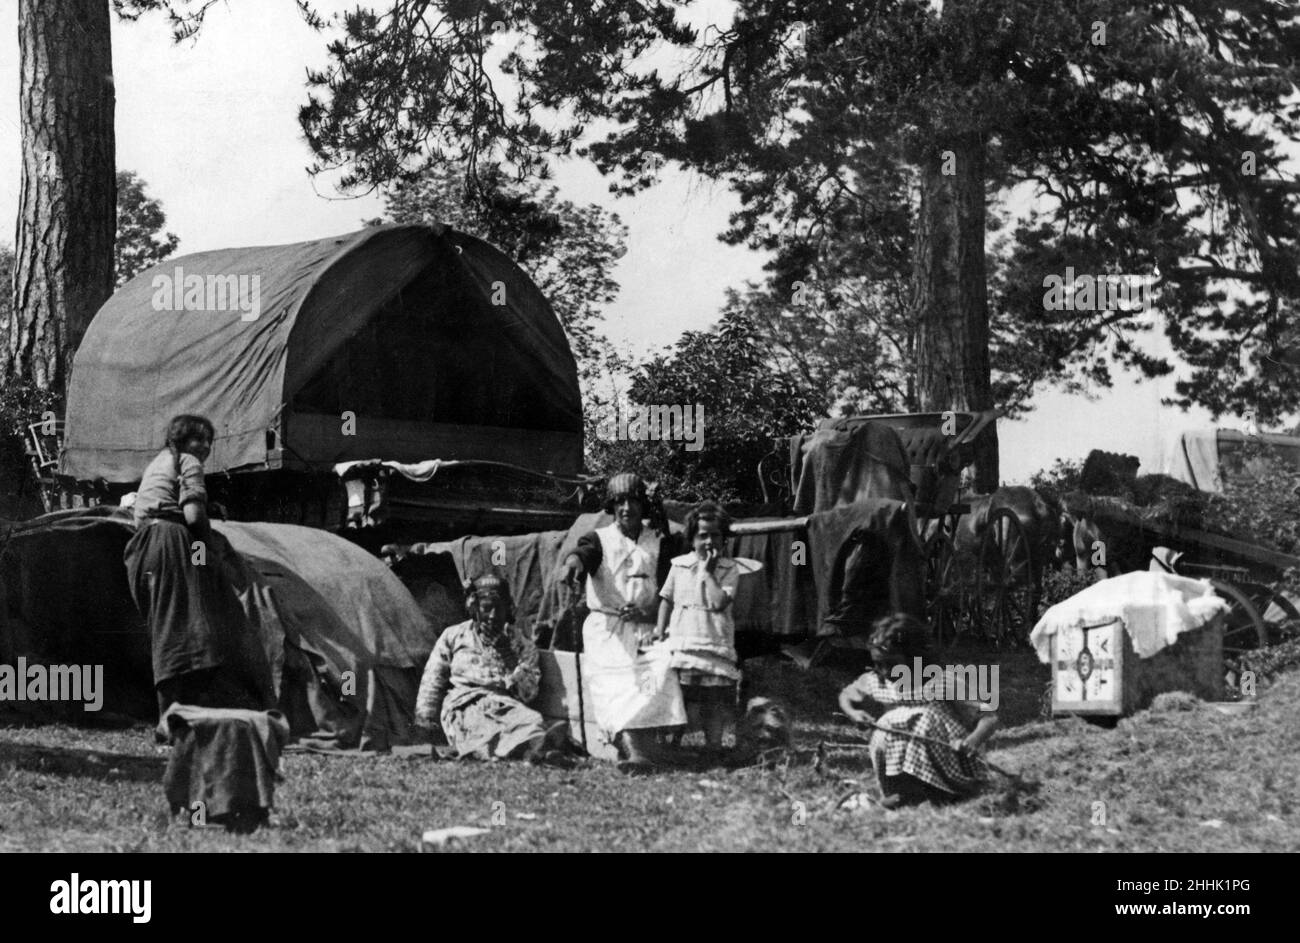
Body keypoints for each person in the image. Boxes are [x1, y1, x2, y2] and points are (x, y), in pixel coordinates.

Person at [124, 414, 273, 715]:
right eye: (198, 439)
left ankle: (176, 710)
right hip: (170, 542)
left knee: (166, 625)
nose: (205, 446)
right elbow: (193, 517)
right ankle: (173, 715)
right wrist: (206, 550)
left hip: (142, 547)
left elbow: (161, 503)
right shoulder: (189, 462)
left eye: (209, 441)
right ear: (181, 440)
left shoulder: (158, 463)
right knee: (183, 627)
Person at [556, 472, 686, 771]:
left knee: (661, 670)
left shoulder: (659, 541)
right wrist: (571, 566)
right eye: (620, 502)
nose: (626, 508)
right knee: (617, 680)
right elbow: (581, 555)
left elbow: (670, 586)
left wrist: (649, 612)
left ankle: (650, 747)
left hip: (647, 626)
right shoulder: (599, 539)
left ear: (643, 505)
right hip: (608, 629)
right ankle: (632, 750)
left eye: (633, 501)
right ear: (612, 506)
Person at [838, 613, 1000, 807]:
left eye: (891, 664)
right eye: (878, 664)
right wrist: (854, 713)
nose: (883, 671)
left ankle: (940, 790)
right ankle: (901, 790)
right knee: (882, 727)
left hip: (953, 761)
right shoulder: (876, 680)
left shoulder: (941, 681)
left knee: (923, 719)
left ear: (915, 657)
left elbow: (989, 718)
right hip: (905, 760)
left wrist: (972, 741)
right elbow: (846, 696)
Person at [414, 575, 568, 763]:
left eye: (499, 608)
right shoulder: (455, 636)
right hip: (465, 705)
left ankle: (533, 749)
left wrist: (509, 658)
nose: (493, 615)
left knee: (530, 718)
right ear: (474, 608)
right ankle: (536, 747)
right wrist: (425, 722)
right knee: (485, 727)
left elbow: (528, 694)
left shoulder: (520, 643)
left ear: (508, 609)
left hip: (505, 703)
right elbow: (432, 680)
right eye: (486, 608)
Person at [656, 501, 740, 757]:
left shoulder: (729, 568)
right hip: (682, 642)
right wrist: (660, 630)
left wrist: (707, 573)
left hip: (712, 642)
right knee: (679, 697)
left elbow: (717, 602)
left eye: (715, 535)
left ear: (724, 538)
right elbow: (666, 599)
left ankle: (713, 745)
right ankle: (672, 744)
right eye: (702, 535)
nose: (709, 541)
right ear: (692, 539)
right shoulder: (679, 565)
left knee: (712, 700)